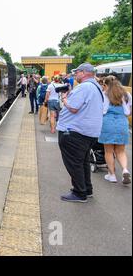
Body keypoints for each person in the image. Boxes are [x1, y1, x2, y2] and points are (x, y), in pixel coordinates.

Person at [56, 63, 104, 203]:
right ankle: (86, 189)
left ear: (83, 73)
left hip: (75, 132)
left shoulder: (84, 87)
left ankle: (79, 193)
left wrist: (65, 98)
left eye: (77, 72)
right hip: (88, 133)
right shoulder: (96, 87)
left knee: (74, 163)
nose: (75, 75)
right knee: (83, 162)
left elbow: (73, 107)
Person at [98, 76, 132, 184]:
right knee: (121, 151)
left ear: (106, 84)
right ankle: (125, 170)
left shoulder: (104, 95)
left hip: (107, 123)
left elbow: (101, 110)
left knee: (108, 151)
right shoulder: (127, 95)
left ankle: (111, 175)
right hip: (122, 123)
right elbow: (129, 112)